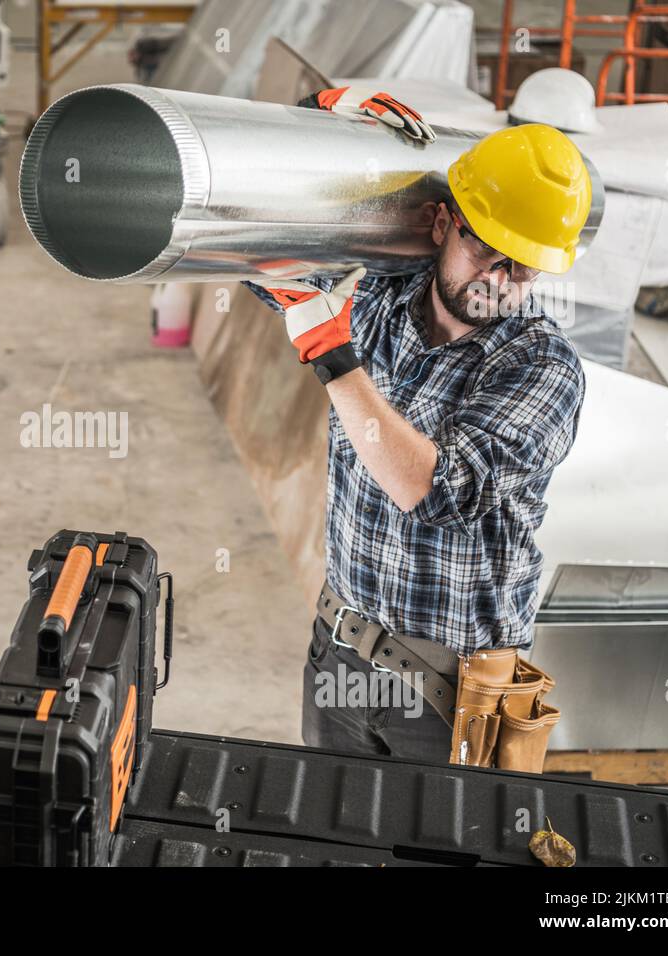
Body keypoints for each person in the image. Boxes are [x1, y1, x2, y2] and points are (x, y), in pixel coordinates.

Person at [245, 87, 591, 764]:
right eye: (488, 247)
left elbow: (436, 490)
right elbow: (264, 240)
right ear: (441, 223)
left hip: (450, 696)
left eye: (527, 264)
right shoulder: (378, 294)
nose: (503, 276)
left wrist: (332, 358)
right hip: (338, 653)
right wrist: (319, 113)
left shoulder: (543, 367)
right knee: (323, 837)